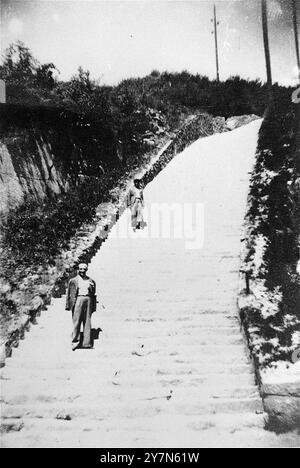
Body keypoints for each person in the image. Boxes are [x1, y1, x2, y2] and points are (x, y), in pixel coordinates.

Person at [65, 263, 97, 350]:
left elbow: (93, 294)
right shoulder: (73, 280)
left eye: (84, 269)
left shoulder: (91, 280)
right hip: (78, 300)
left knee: (87, 321)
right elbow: (69, 294)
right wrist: (68, 305)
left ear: (86, 270)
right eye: (80, 269)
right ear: (78, 269)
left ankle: (87, 343)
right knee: (76, 321)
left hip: (88, 300)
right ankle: (75, 342)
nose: (82, 271)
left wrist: (92, 288)